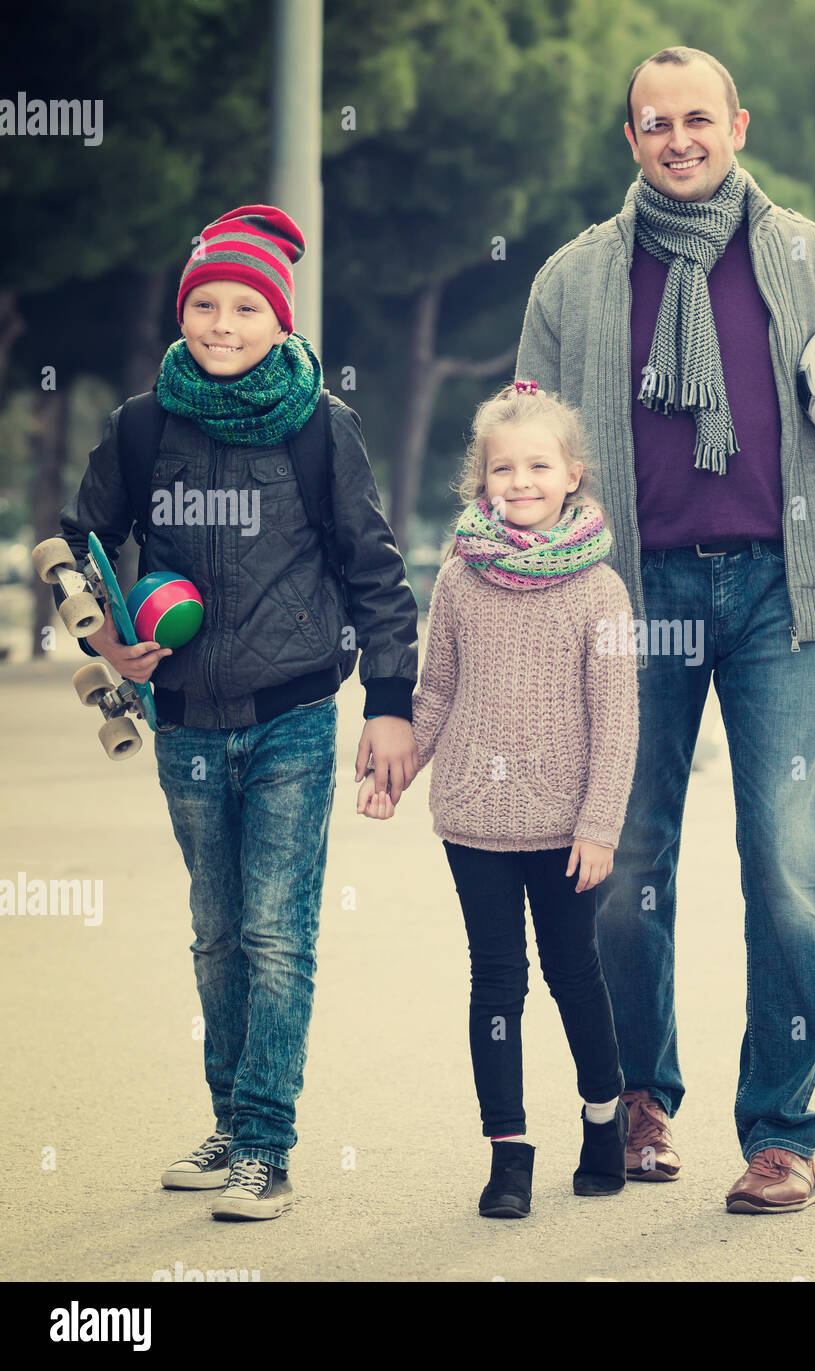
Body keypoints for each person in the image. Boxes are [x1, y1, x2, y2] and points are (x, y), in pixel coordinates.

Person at [516, 46, 815, 1213]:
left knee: (786, 863)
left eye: (697, 119)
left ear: (738, 125)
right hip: (628, 597)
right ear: (631, 139)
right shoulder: (570, 281)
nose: (678, 139)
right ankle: (642, 1100)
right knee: (620, 865)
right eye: (654, 123)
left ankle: (779, 1131)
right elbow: (521, 458)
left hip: (781, 590)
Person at [56, 205, 420, 1220]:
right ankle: (228, 1125)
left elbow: (376, 572)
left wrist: (391, 703)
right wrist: (106, 637)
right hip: (183, 721)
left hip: (296, 714)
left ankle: (268, 1144)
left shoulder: (318, 427)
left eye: (245, 306)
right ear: (184, 313)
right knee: (216, 935)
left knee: (274, 935)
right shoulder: (140, 426)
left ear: (280, 319)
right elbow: (81, 542)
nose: (222, 323)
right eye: (206, 304)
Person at [371, 381, 639, 1218]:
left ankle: (604, 1119)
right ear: (479, 481)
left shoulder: (600, 591)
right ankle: (508, 1150)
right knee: (496, 981)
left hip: (566, 829)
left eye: (537, 465)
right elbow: (439, 688)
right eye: (502, 468)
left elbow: (617, 721)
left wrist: (599, 827)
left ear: (572, 475)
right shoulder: (458, 576)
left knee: (574, 973)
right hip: (474, 821)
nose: (519, 481)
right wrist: (398, 764)